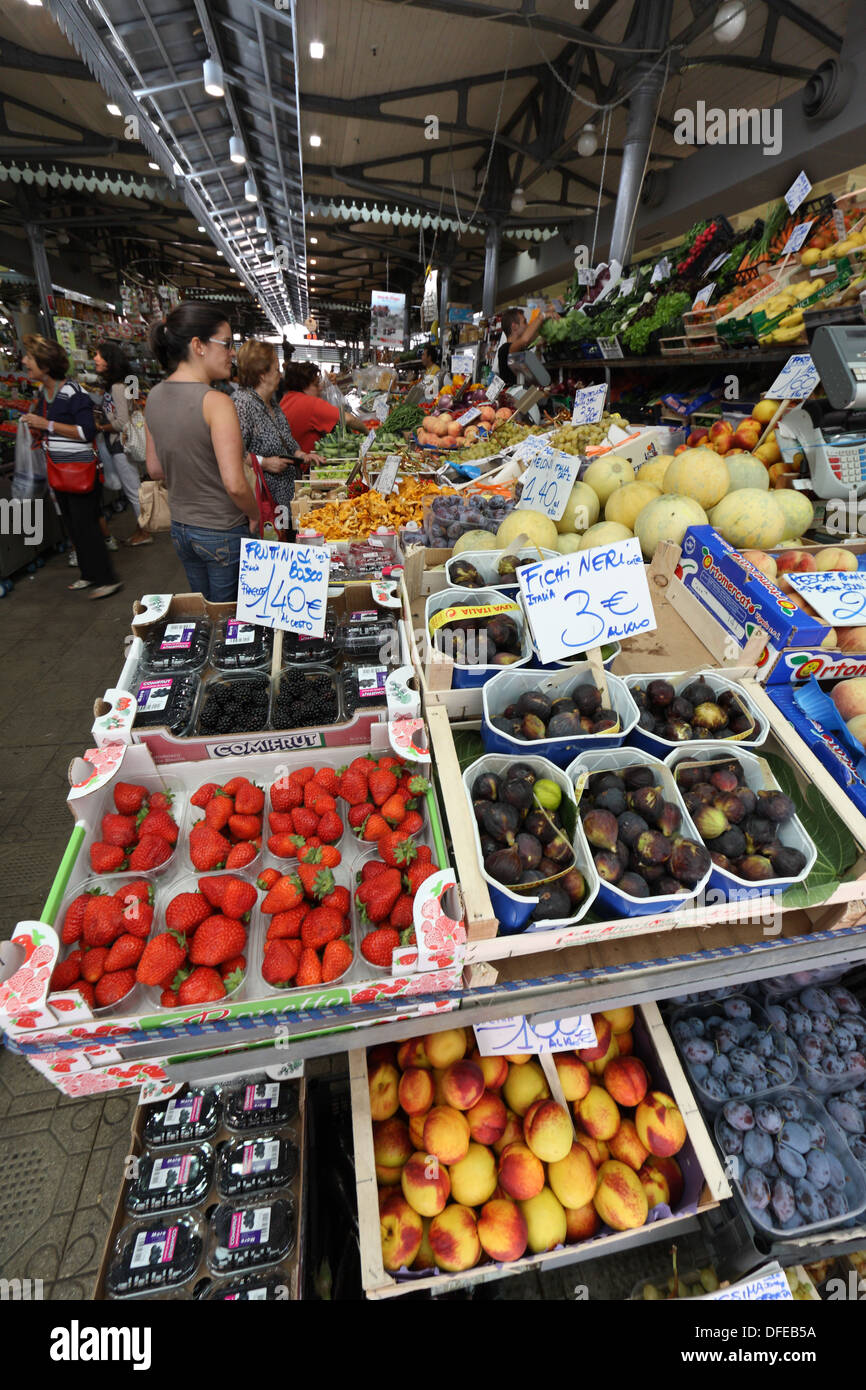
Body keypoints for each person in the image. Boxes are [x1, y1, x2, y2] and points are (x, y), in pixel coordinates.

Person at [144, 302, 258, 603]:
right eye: (227, 344)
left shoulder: (153, 397)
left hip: (181, 529)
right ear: (199, 346)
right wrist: (255, 514)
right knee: (230, 622)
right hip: (222, 529)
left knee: (205, 613)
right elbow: (234, 483)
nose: (232, 353)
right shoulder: (216, 402)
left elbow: (154, 469)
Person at [20, 333, 120, 600]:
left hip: (80, 470)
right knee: (73, 526)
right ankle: (88, 574)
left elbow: (87, 431)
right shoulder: (44, 393)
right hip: (58, 470)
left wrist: (47, 425)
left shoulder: (72, 392)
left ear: (45, 364)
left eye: (29, 357)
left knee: (86, 525)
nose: (24, 361)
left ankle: (107, 579)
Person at [234, 340, 323, 537]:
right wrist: (264, 463)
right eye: (276, 370)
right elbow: (233, 455)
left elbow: (286, 439)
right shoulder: (243, 405)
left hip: (283, 500)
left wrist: (301, 454)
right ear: (262, 374)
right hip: (264, 499)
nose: (280, 375)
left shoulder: (272, 403)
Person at [93, 340, 151, 547]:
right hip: (128, 443)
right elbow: (135, 410)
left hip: (121, 444)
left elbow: (122, 422)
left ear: (110, 360)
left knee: (133, 491)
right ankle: (141, 528)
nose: (95, 359)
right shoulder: (127, 382)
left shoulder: (117, 387)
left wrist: (101, 428)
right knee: (135, 488)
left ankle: (145, 531)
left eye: (99, 355)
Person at [279, 362, 370, 452]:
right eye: (316, 385)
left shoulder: (287, 398)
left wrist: (328, 383)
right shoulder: (310, 403)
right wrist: (368, 432)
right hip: (303, 463)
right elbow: (348, 419)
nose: (320, 388)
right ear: (303, 385)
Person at [496, 306, 559, 389]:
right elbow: (525, 339)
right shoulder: (505, 349)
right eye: (525, 322)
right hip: (511, 398)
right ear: (514, 326)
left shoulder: (521, 349)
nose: (527, 325)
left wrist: (538, 349)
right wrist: (541, 316)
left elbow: (530, 374)